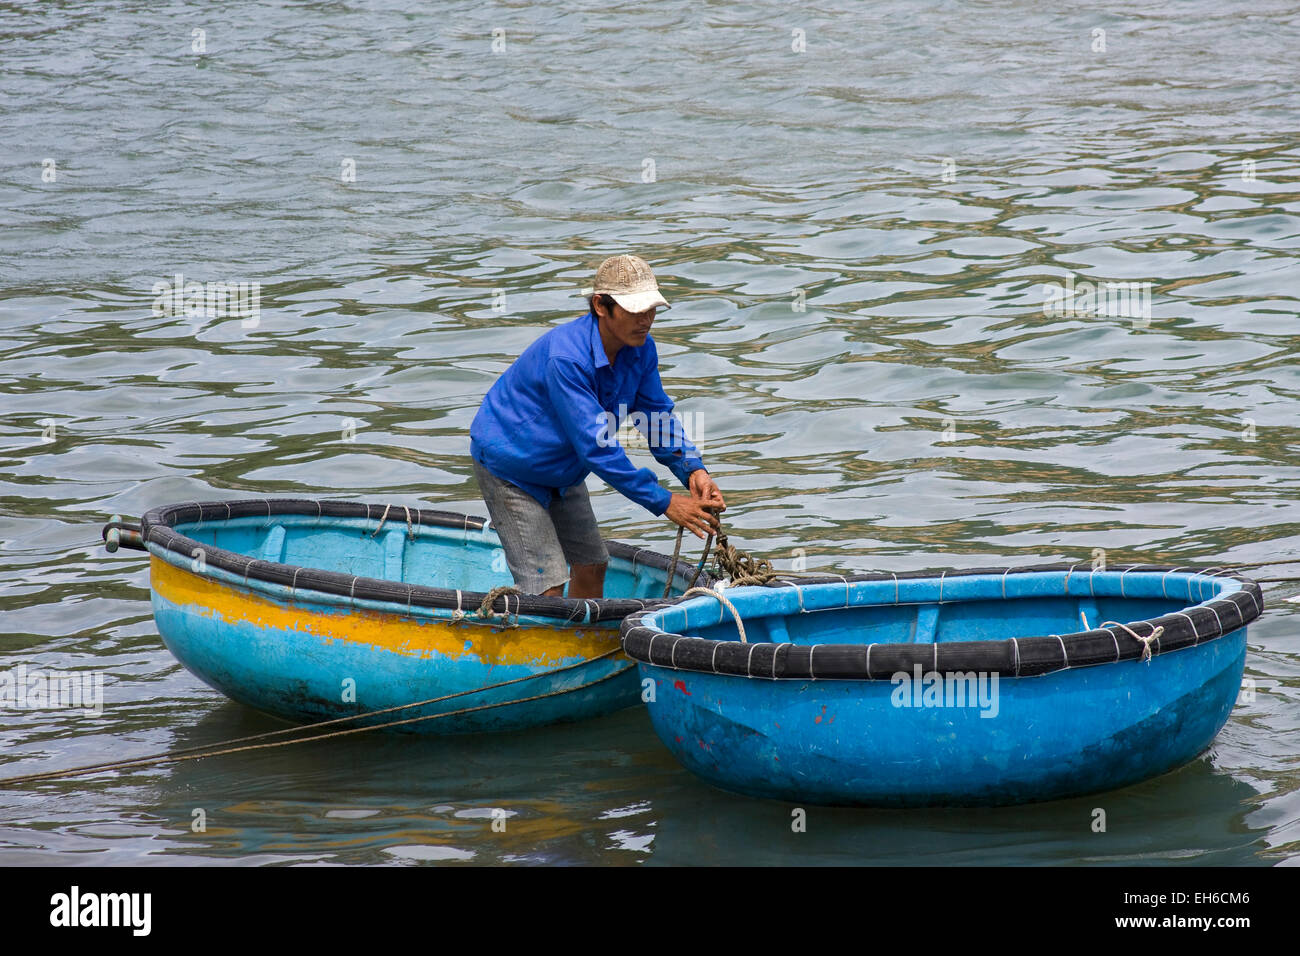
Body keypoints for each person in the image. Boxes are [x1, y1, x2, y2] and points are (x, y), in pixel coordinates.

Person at [469, 254, 725, 599]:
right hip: (512, 467)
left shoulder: (641, 349)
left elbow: (655, 415)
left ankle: (581, 642)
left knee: (591, 565)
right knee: (548, 585)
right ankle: (548, 648)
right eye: (635, 310)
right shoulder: (567, 359)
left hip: (564, 468)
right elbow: (597, 448)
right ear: (601, 306)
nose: (645, 320)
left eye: (651, 309)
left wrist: (693, 470)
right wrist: (664, 501)